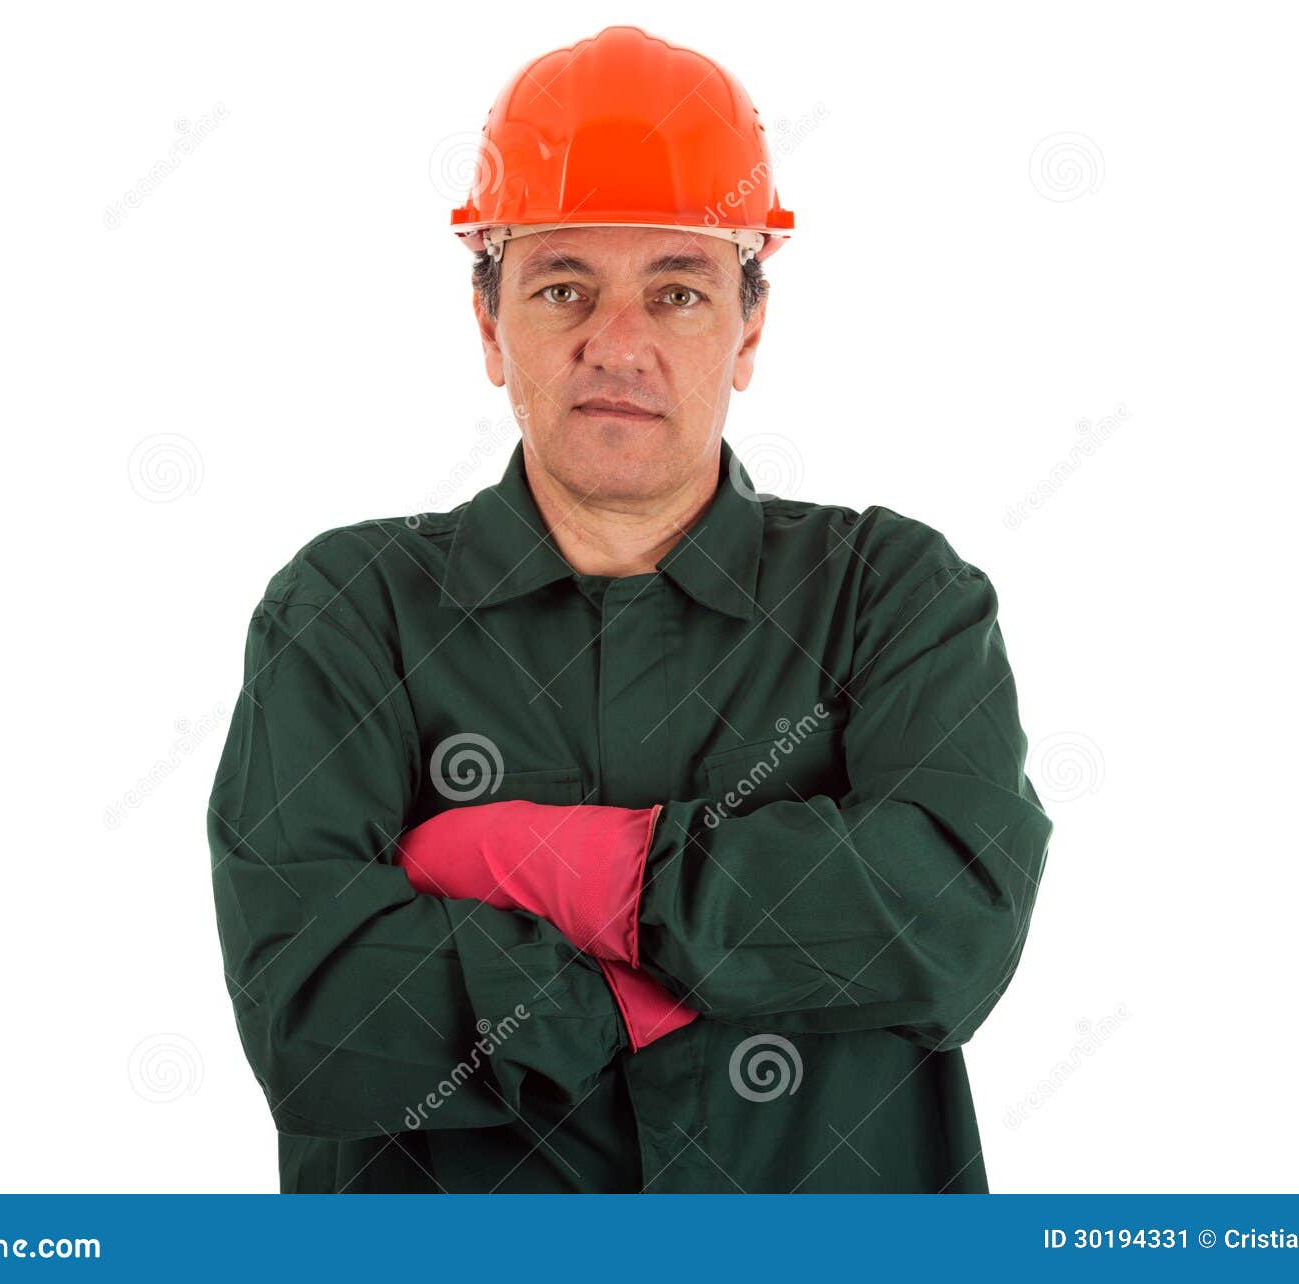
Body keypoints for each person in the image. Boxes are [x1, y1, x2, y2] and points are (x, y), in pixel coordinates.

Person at [207, 24, 1053, 1193]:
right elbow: (318, 1020)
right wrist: (696, 965)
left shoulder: (892, 595)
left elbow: (951, 922)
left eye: (677, 291)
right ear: (489, 325)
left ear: (748, 327)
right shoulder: (349, 614)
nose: (620, 344)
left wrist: (562, 868)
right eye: (564, 287)